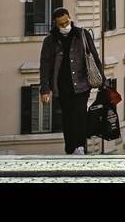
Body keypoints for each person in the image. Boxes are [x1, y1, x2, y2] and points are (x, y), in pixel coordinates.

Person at [39, 8, 108, 155]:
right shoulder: (50, 40)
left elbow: (94, 58)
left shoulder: (82, 35)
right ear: (55, 24)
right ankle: (70, 148)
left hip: (81, 84)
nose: (65, 26)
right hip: (61, 86)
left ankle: (80, 147)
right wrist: (45, 89)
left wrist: (102, 81)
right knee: (67, 117)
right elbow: (44, 66)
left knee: (80, 115)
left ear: (70, 18)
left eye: (66, 22)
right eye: (61, 24)